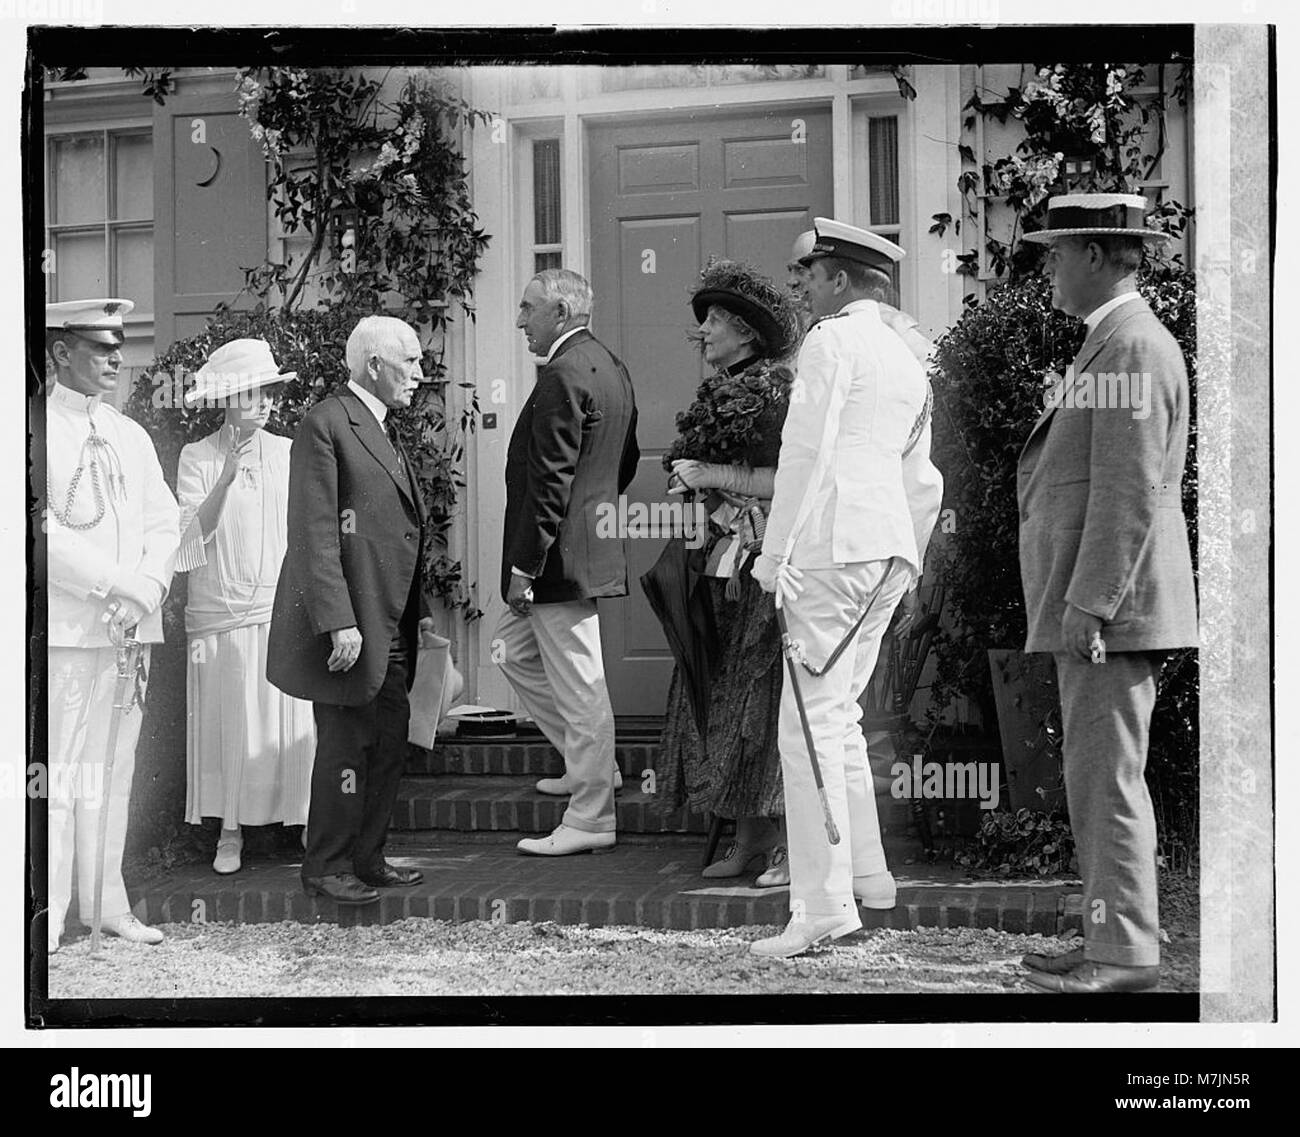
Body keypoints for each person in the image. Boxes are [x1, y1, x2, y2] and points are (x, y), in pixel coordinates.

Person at [1016, 193, 1198, 993]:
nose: (1049, 268)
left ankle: (1123, 957)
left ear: (1095, 255)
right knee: (1098, 780)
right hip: (1108, 608)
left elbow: (1129, 491)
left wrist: (1089, 602)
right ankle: (1107, 937)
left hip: (1111, 611)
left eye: (1057, 253)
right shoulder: (1116, 342)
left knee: (1108, 783)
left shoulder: (1130, 346)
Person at [749, 219, 944, 958]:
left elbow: (804, 450)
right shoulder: (906, 355)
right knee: (839, 717)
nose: (803, 286)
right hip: (886, 549)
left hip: (833, 551)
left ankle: (824, 906)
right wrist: (909, 558)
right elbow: (924, 479)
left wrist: (773, 556)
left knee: (805, 728)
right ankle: (868, 874)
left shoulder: (831, 340)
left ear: (838, 280)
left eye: (812, 274)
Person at [267, 316, 435, 905]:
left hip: (388, 621)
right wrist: (338, 620)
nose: (420, 373)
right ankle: (327, 865)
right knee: (345, 746)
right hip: (350, 623)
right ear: (374, 365)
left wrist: (417, 610)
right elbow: (314, 532)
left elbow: (395, 529)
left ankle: (367, 858)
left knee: (388, 742)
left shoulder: (379, 424)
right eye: (410, 361)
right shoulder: (327, 422)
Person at [655, 258, 799, 882]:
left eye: (715, 320)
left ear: (745, 331)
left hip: (762, 561)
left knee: (761, 700)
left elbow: (788, 478)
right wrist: (693, 484)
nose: (703, 331)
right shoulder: (720, 390)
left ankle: (791, 843)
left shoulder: (777, 391)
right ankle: (749, 838)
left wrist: (712, 475)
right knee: (724, 693)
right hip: (719, 561)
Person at [44, 298, 179, 951]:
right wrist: (116, 585)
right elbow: (38, 533)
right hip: (70, 633)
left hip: (131, 632)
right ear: (60, 351)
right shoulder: (33, 429)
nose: (115, 358)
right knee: (60, 772)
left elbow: (164, 521)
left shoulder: (129, 435)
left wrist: (147, 590)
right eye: (100, 347)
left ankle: (105, 904)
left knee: (116, 769)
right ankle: (45, 911)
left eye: (118, 345)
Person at [496, 268, 639, 857]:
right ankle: (593, 767)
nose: (520, 321)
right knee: (508, 650)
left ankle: (591, 816)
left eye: (528, 308)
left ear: (560, 313)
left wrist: (525, 567)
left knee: (581, 689)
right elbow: (625, 461)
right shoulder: (609, 365)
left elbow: (550, 480)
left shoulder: (562, 373)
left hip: (556, 560)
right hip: (583, 549)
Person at [176, 339, 314, 874]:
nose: (266, 403)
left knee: (289, 721)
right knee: (232, 718)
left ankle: (306, 823)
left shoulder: (287, 451)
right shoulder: (197, 457)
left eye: (270, 392)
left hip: (279, 610)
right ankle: (229, 831)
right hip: (221, 617)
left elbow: (305, 533)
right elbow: (189, 542)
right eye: (254, 393)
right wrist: (226, 477)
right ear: (228, 399)